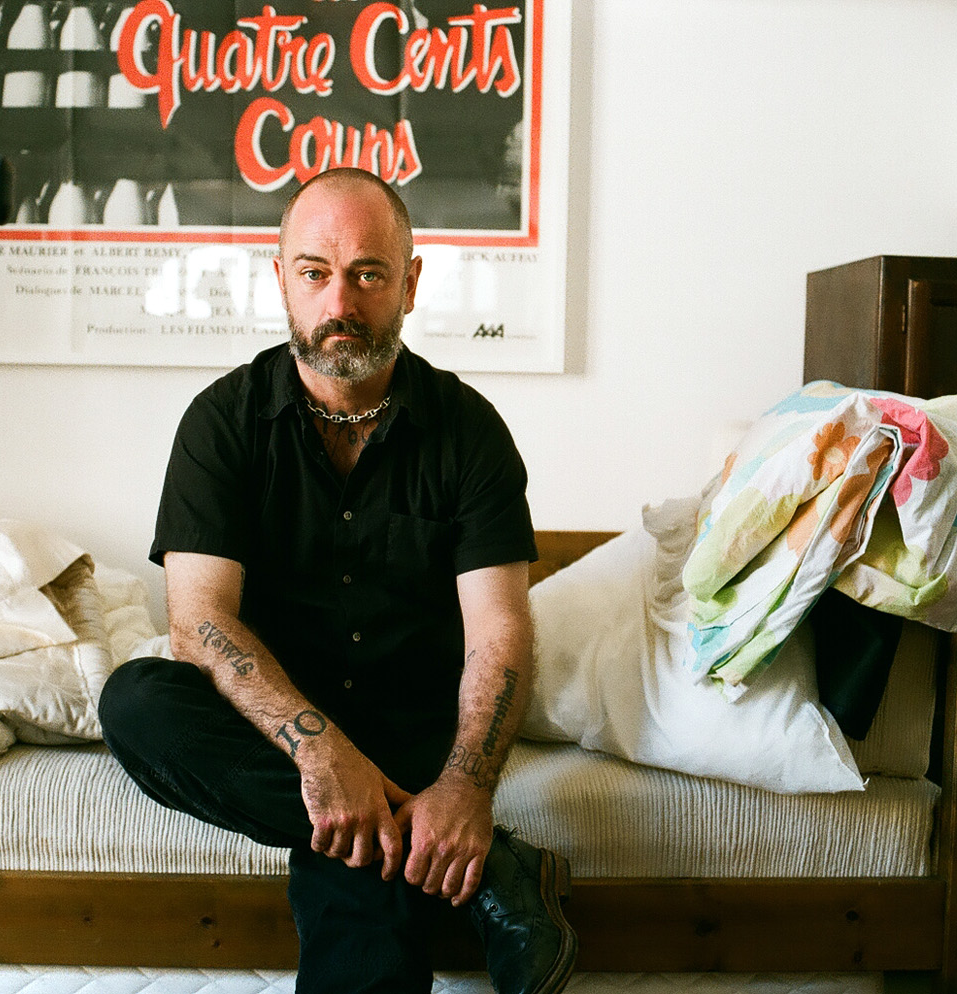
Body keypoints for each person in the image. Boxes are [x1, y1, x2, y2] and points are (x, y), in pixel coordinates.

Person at [99, 167, 577, 994]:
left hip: (415, 724)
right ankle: (494, 871)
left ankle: (401, 826)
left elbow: (499, 630)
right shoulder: (223, 423)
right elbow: (199, 621)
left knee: (358, 897)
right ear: (280, 277)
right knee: (137, 701)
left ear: (411, 284)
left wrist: (463, 787)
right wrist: (319, 750)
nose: (341, 304)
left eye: (368, 273)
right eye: (316, 273)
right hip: (280, 724)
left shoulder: (469, 432)